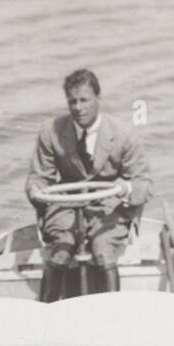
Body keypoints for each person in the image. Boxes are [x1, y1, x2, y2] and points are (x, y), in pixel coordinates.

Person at [25, 69, 154, 303]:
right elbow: (38, 177)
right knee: (60, 253)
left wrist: (124, 189)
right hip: (65, 207)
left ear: (98, 99)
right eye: (72, 101)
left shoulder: (124, 134)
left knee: (103, 251)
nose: (78, 108)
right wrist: (35, 190)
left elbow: (143, 184)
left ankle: (113, 311)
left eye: (84, 100)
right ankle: (44, 311)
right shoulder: (51, 132)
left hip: (108, 208)